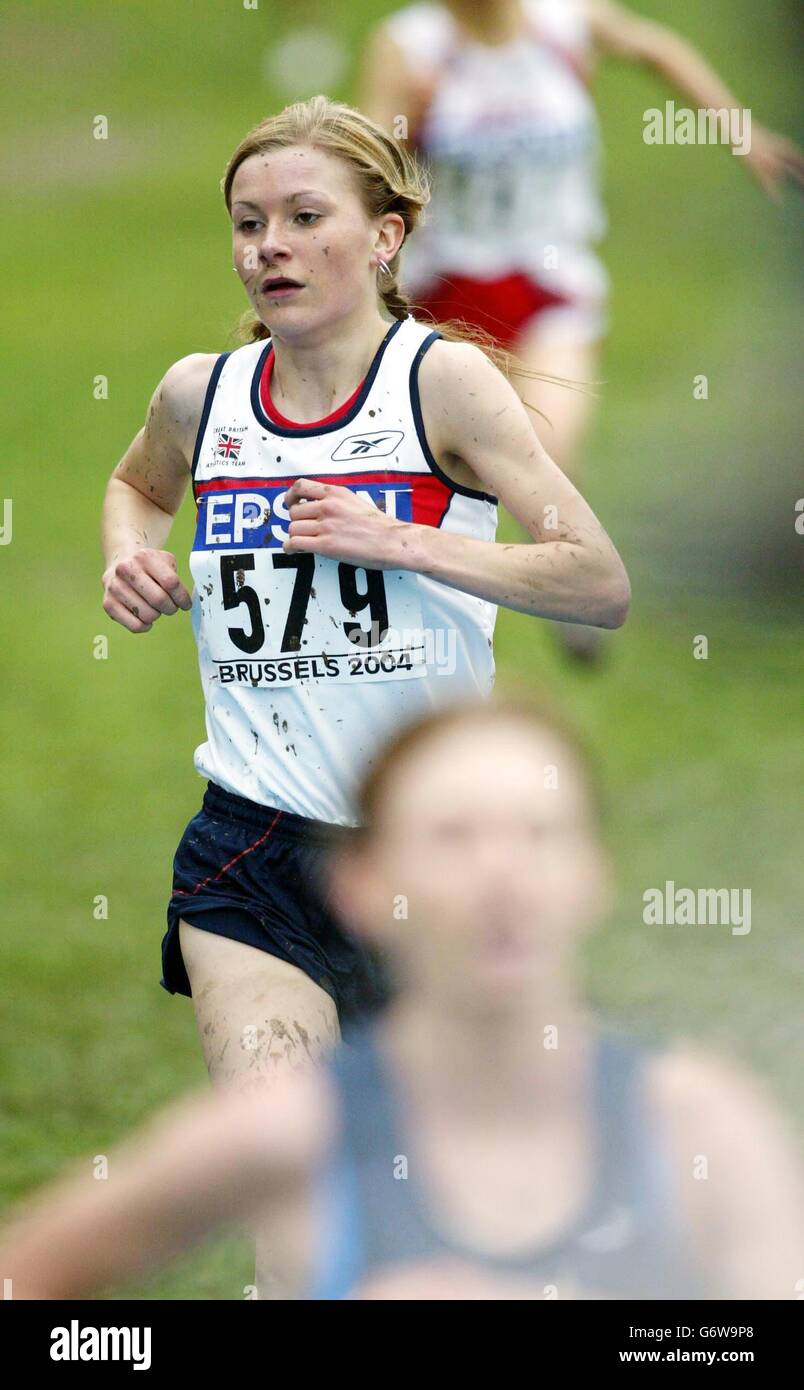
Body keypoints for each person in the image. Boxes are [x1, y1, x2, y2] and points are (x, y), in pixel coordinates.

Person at [99, 93, 628, 1293]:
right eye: (247, 224)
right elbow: (136, 486)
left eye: (301, 217)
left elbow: (597, 582)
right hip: (252, 851)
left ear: (385, 237)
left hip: (429, 862)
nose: (267, 246)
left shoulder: (440, 388)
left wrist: (409, 542)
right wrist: (127, 553)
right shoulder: (204, 395)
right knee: (296, 1212)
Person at [2, 699, 801, 1299]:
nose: (502, 875)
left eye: (538, 833)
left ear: (595, 875)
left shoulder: (701, 1129)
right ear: (361, 885)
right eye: (453, 836)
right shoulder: (287, 1136)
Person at [358, 0, 804, 656]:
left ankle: (569, 587)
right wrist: (405, 128)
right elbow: (362, 163)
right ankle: (429, 616)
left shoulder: (564, 20)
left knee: (550, 441)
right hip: (445, 291)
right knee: (456, 469)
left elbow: (657, 48)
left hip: (553, 281)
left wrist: (740, 132)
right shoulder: (410, 44)